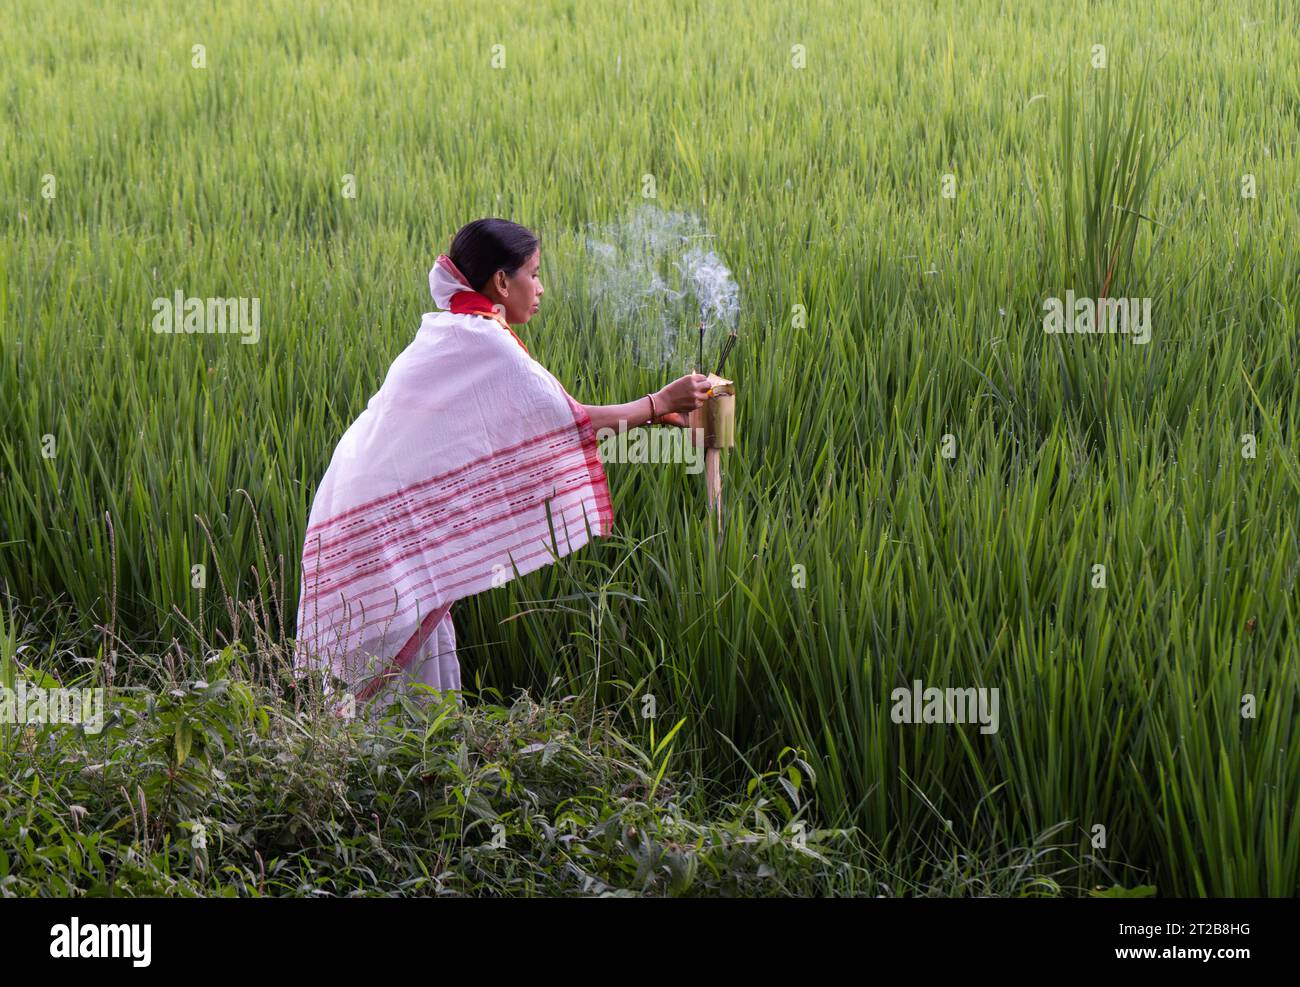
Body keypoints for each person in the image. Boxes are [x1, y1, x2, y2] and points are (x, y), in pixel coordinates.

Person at [292, 218, 711, 718]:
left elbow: (546, 422)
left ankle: (370, 780)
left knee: (403, 665)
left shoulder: (451, 330)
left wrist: (650, 412)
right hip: (380, 533)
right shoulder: (486, 342)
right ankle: (387, 782)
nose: (540, 288)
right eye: (533, 274)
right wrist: (656, 401)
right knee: (400, 688)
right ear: (500, 282)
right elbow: (569, 423)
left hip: (356, 516)